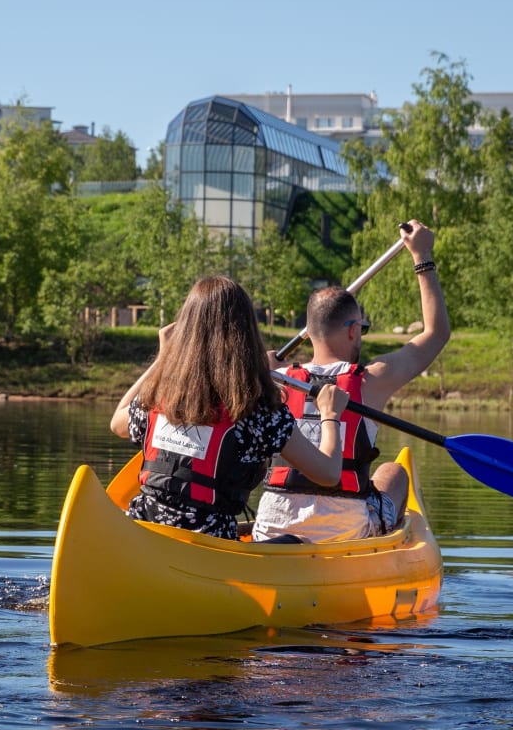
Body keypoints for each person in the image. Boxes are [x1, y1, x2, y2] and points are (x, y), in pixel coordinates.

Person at [109, 275, 354, 540]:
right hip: (209, 548)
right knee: (295, 542)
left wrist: (163, 358)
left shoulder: (161, 394)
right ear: (246, 334)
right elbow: (328, 474)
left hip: (143, 533)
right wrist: (330, 414)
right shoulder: (257, 410)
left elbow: (117, 422)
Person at [252, 220, 450, 543]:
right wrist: (422, 255)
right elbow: (436, 334)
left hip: (271, 527)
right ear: (352, 330)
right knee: (394, 473)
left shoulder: (275, 381)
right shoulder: (371, 380)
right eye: (363, 328)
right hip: (344, 535)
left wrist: (262, 368)